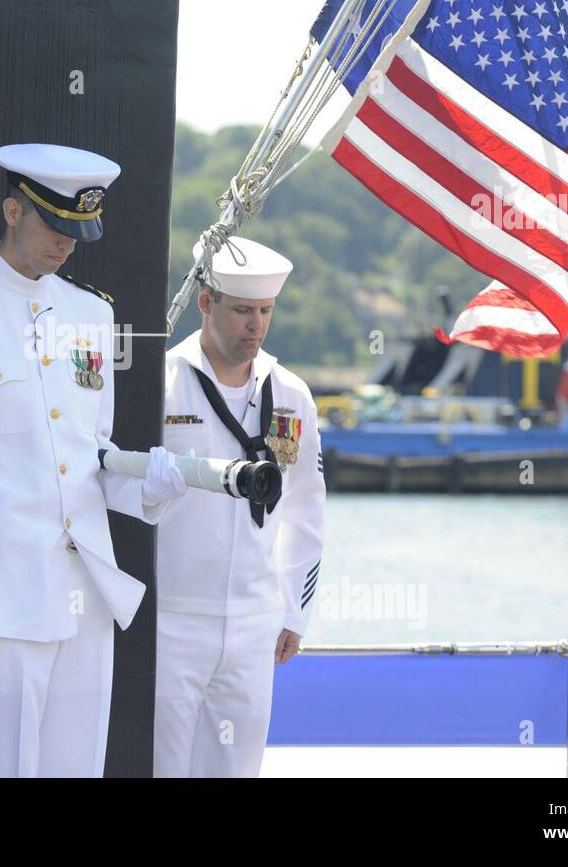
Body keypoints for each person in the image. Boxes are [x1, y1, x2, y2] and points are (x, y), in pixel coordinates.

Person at [0, 142, 186, 777]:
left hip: (86, 590)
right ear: (12, 210)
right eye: (55, 226)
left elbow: (89, 457)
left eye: (79, 231)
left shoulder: (92, 314)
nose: (67, 245)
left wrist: (147, 486)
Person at [154, 236, 325, 777]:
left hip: (254, 621)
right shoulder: (162, 383)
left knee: (237, 770)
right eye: (242, 310)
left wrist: (294, 612)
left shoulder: (291, 395)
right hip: (171, 617)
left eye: (266, 312)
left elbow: (305, 510)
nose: (255, 325)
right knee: (159, 767)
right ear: (206, 304)